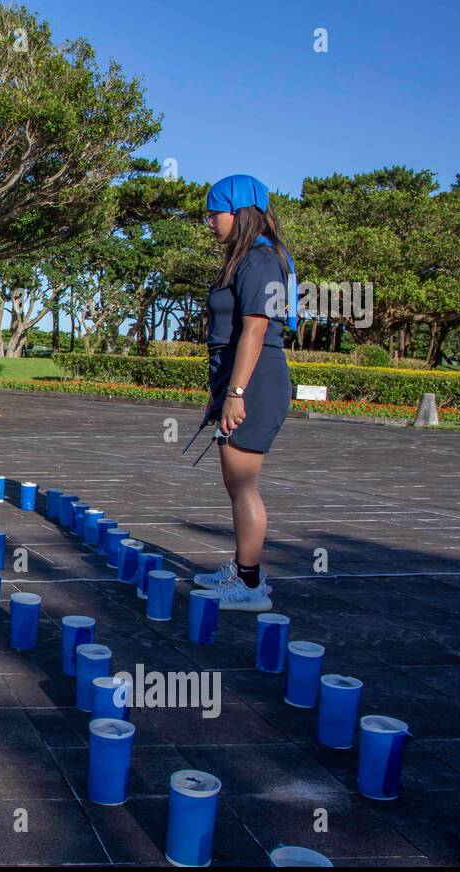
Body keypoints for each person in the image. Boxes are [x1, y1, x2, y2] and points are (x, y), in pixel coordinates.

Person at [192, 174, 294, 611]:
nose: (210, 223)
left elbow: (254, 329)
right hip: (241, 378)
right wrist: (221, 390)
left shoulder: (259, 260)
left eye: (214, 214)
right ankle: (242, 568)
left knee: (243, 485)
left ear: (239, 212)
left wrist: (236, 391)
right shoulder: (249, 259)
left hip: (256, 381)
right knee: (236, 484)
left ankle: (250, 586)